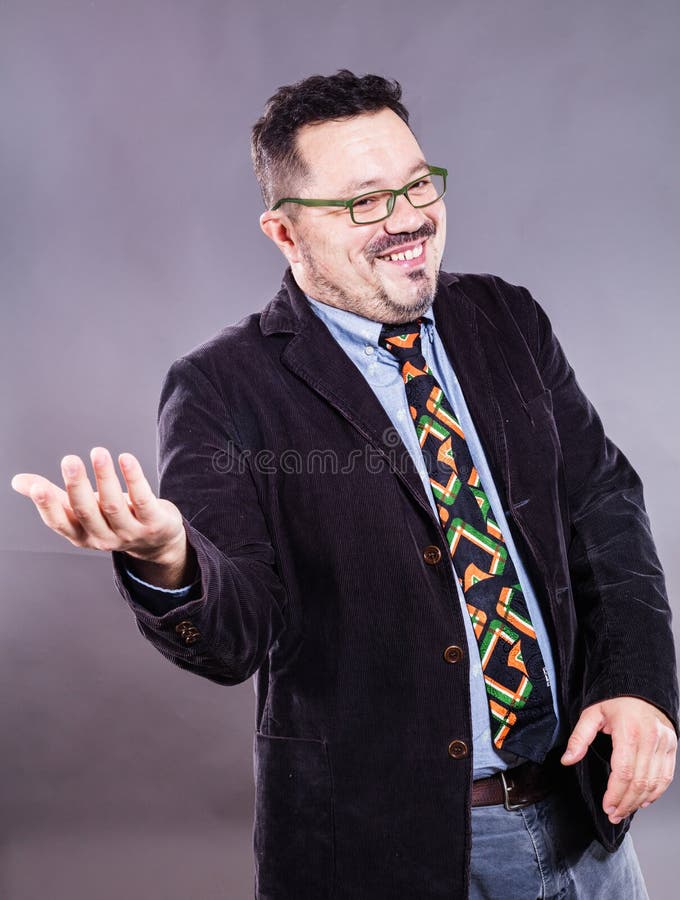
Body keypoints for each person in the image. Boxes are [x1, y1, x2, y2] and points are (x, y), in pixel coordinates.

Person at [11, 70, 678, 899]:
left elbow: (603, 507)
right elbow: (234, 635)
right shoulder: (222, 388)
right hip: (380, 852)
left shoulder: (507, 318)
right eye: (364, 201)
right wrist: (168, 558)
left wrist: (638, 686)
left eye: (418, 184)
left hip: (585, 817)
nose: (408, 219)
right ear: (286, 233)